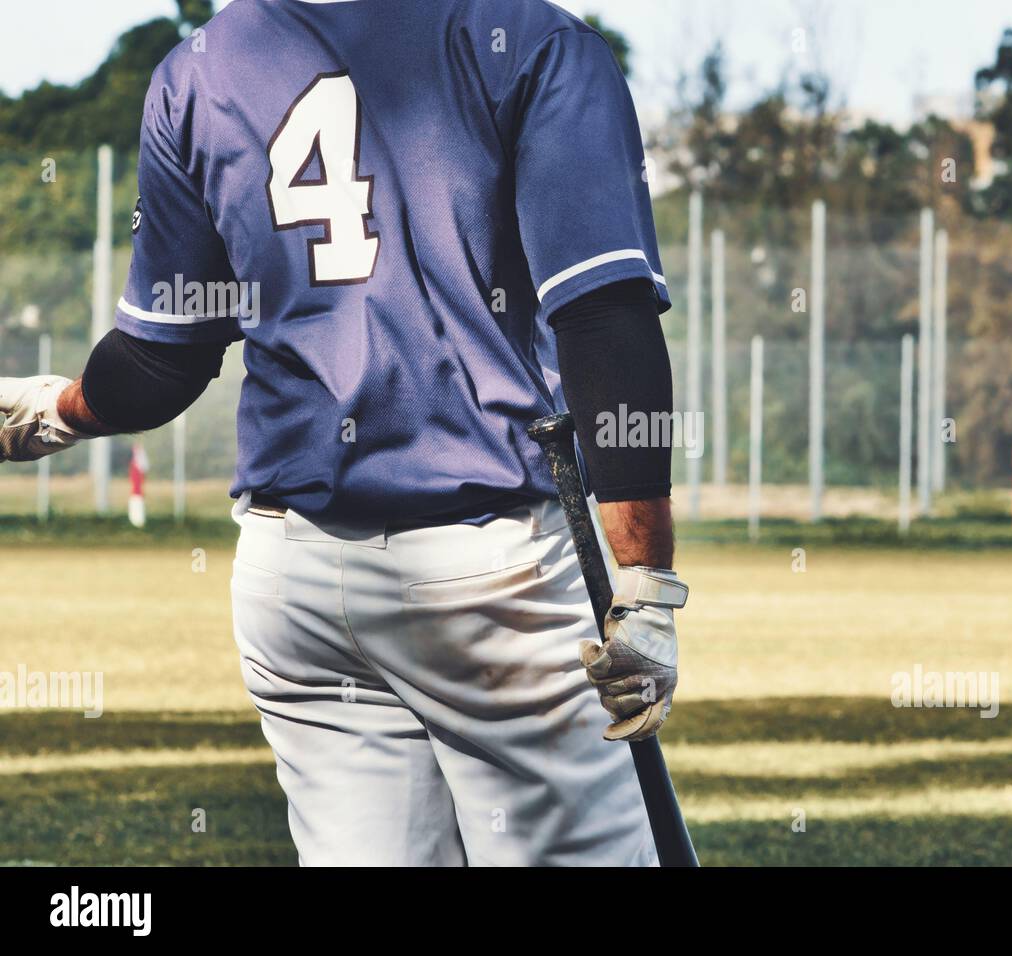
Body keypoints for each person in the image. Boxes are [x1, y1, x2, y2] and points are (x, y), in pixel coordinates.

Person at [0, 0, 686, 867]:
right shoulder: (533, 40)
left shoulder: (202, 65)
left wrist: (50, 411)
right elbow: (604, 324)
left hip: (296, 586)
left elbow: (159, 363)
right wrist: (647, 583)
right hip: (490, 573)